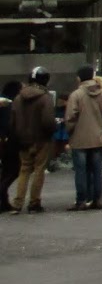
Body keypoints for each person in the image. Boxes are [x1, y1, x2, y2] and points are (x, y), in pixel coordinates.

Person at [9, 67, 57, 213]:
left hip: (23, 140)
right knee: (38, 170)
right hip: (41, 140)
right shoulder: (45, 98)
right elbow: (48, 121)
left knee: (24, 170)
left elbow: (12, 121)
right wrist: (51, 131)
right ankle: (34, 202)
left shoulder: (18, 98)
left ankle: (18, 203)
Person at [63, 65, 102, 212]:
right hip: (97, 137)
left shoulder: (76, 95)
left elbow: (70, 117)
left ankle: (81, 200)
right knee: (97, 169)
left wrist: (70, 131)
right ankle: (98, 199)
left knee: (81, 171)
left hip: (79, 138)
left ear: (79, 78)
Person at [1, 80, 23, 212]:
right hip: (9, 142)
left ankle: (3, 201)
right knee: (12, 171)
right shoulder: (9, 105)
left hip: (4, 140)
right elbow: (9, 124)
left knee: (6, 171)